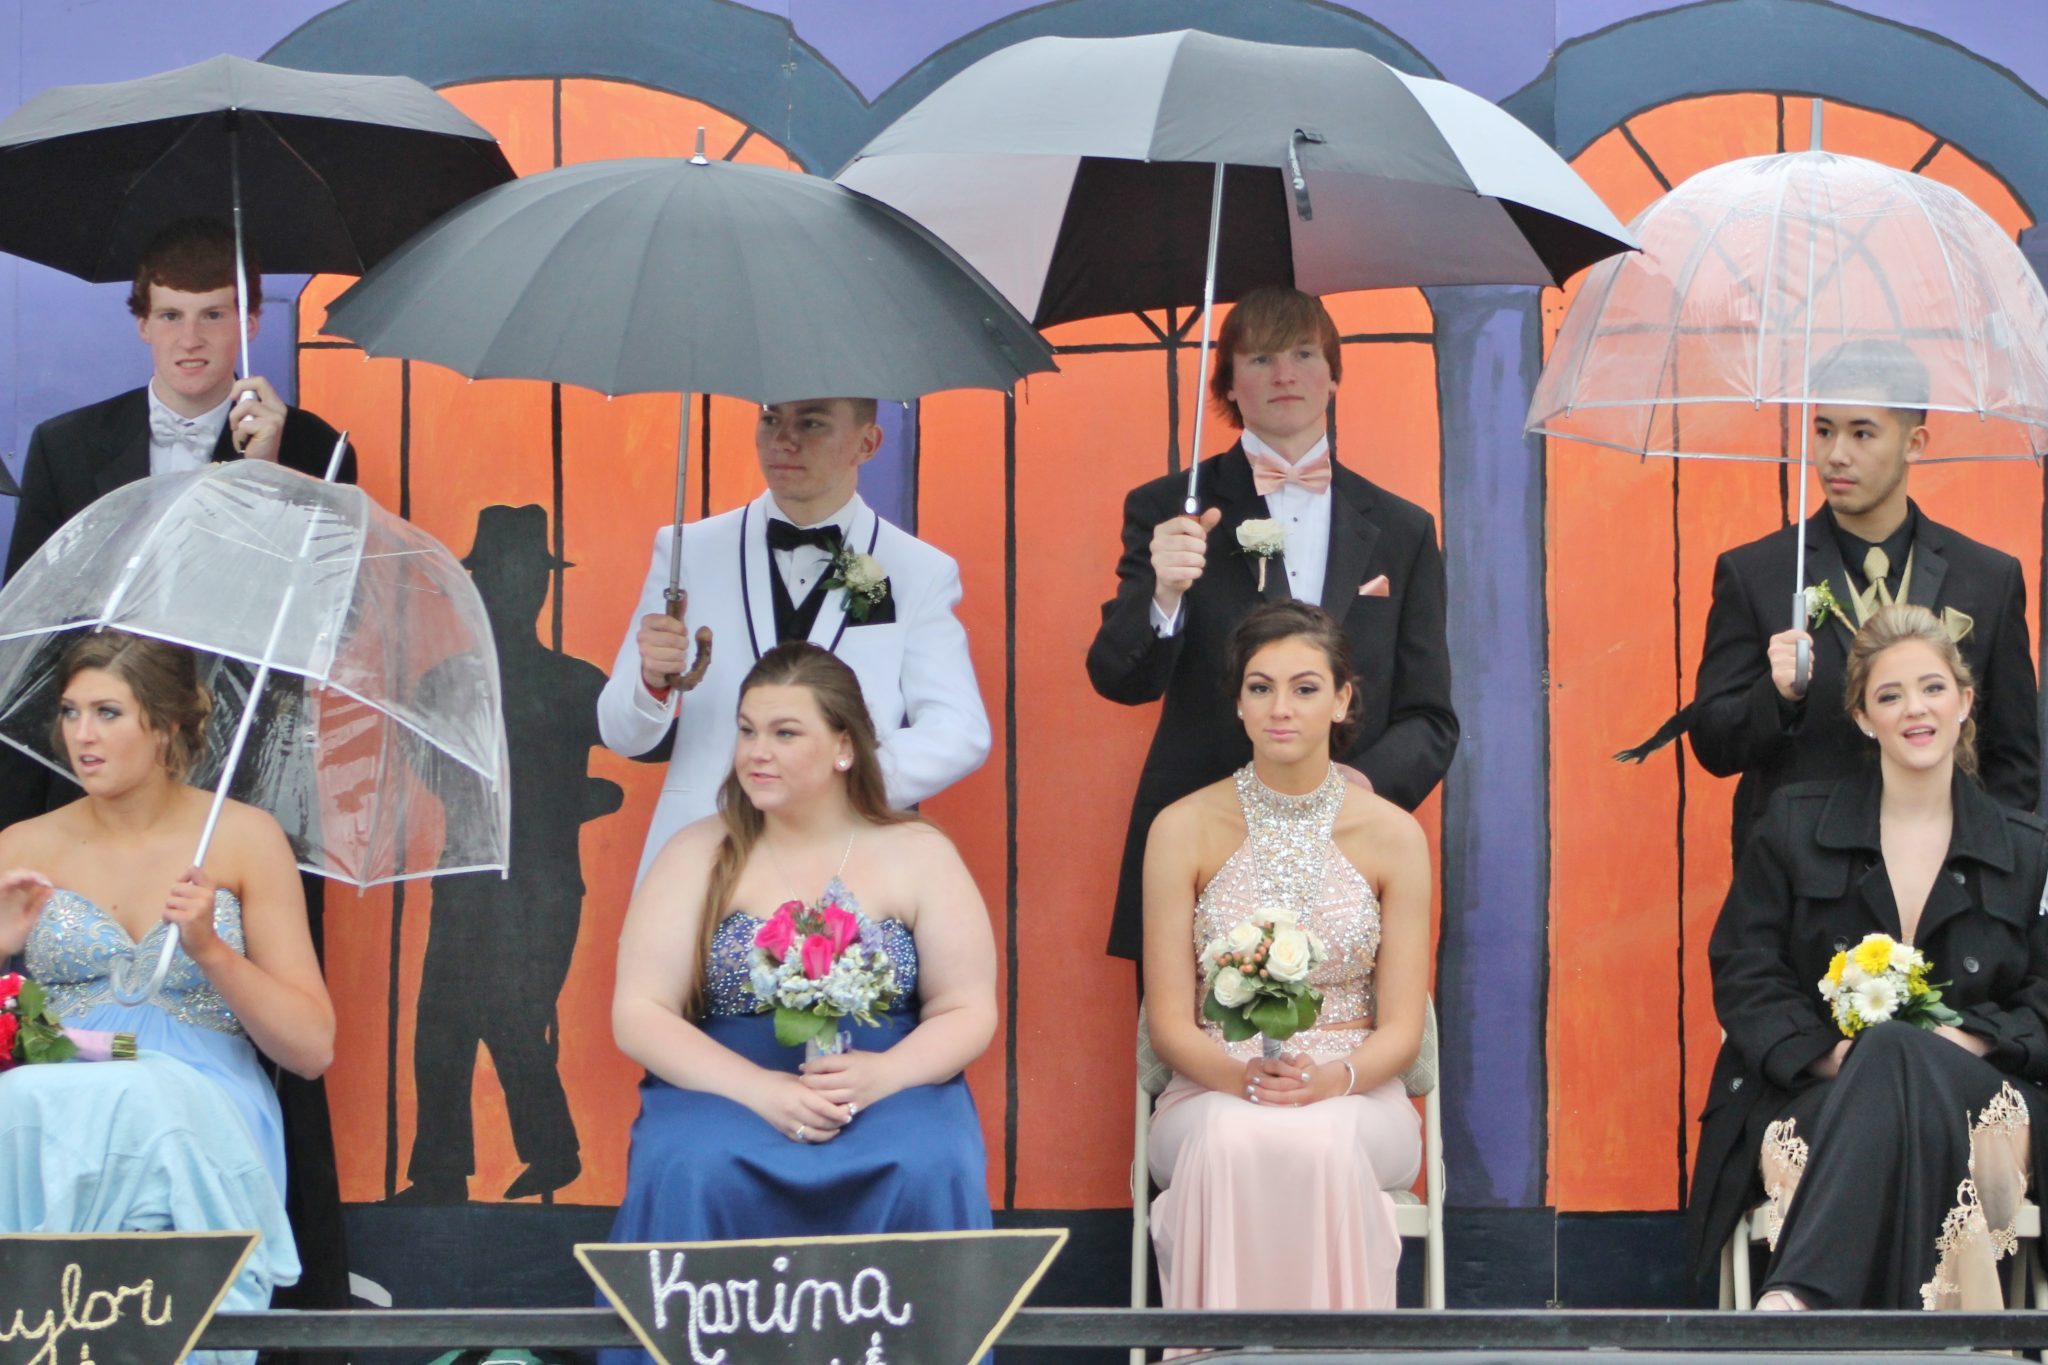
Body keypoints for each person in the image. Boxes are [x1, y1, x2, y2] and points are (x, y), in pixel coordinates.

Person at [603, 642, 995, 1362]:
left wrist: (884, 1076)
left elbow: (969, 1007)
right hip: (723, 1083)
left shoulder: (918, 851)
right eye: (747, 729)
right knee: (691, 1162)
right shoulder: (697, 851)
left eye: (786, 733)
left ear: (845, 745)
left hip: (885, 1083)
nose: (757, 751)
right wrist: (759, 1090)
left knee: (930, 1160)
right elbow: (638, 1011)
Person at [1689, 604, 2048, 1310]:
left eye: (1933, 688)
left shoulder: (2027, 847)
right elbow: (1745, 968)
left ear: (1966, 702)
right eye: (1890, 695)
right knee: (1887, 1056)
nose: (1915, 709)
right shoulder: (1794, 824)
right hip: (1822, 1091)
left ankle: (1799, 1299)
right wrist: (1832, 1055)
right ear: (1861, 717)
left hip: (1986, 1097)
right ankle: (1959, 1340)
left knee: (1900, 1053)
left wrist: (1963, 1040)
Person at [1087, 286, 1456, 964]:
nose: (1284, 374)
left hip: (1349, 855)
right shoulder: (1171, 507)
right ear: (1228, 381)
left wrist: (1354, 792)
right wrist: (1165, 590)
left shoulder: (1403, 530)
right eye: (1259, 358)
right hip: (1203, 847)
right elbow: (1119, 677)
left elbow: (1431, 718)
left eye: (1303, 353)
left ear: (1334, 373)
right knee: (1196, 1059)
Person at [0, 631, 336, 1339]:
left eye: (108, 713)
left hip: (201, 1105)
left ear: (168, 724)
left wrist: (212, 951)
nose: (81, 736)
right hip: (61, 1101)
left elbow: (310, 1048)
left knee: (151, 1092)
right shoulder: (21, 845)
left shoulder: (246, 838)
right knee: (23, 1097)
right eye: (69, 711)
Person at [1142, 601, 1429, 1311]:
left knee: (1322, 1140)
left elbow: (1402, 1026)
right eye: (1260, 686)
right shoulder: (1181, 828)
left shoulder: (1394, 836)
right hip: (1212, 1085)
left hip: (1356, 1092)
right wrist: (1247, 1076)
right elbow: (1169, 1024)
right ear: (1238, 703)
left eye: (1305, 687)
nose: (1281, 708)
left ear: (1341, 699)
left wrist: (1334, 1078)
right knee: (1231, 1138)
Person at [597, 398, 990, 884]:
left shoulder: (916, 570)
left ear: (867, 443)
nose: (784, 440)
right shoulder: (688, 551)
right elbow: (620, 732)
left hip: (849, 865)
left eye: (812, 423)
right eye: (770, 420)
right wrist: (652, 681)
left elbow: (959, 729)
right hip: (700, 856)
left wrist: (843, 781)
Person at [1683, 340, 2038, 862]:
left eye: (1861, 433)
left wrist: (1989, 875)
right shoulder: (1757, 572)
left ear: (1914, 442)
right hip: (1800, 884)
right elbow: (1713, 745)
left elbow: (2016, 760)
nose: (1835, 454)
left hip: (1943, 880)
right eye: (1824, 430)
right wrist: (1776, 696)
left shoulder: (1987, 578)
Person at [399, 505, 622, 1204]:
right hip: (468, 872)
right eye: (504, 573)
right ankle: (443, 1171)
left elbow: (650, 746)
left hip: (543, 881)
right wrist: (579, 793)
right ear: (483, 584)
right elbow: (428, 771)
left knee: (510, 1010)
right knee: (441, 1024)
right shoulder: (444, 683)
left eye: (530, 574)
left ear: (543, 586)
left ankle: (549, 1149)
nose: (520, 587)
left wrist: (582, 792)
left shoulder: (577, 681)